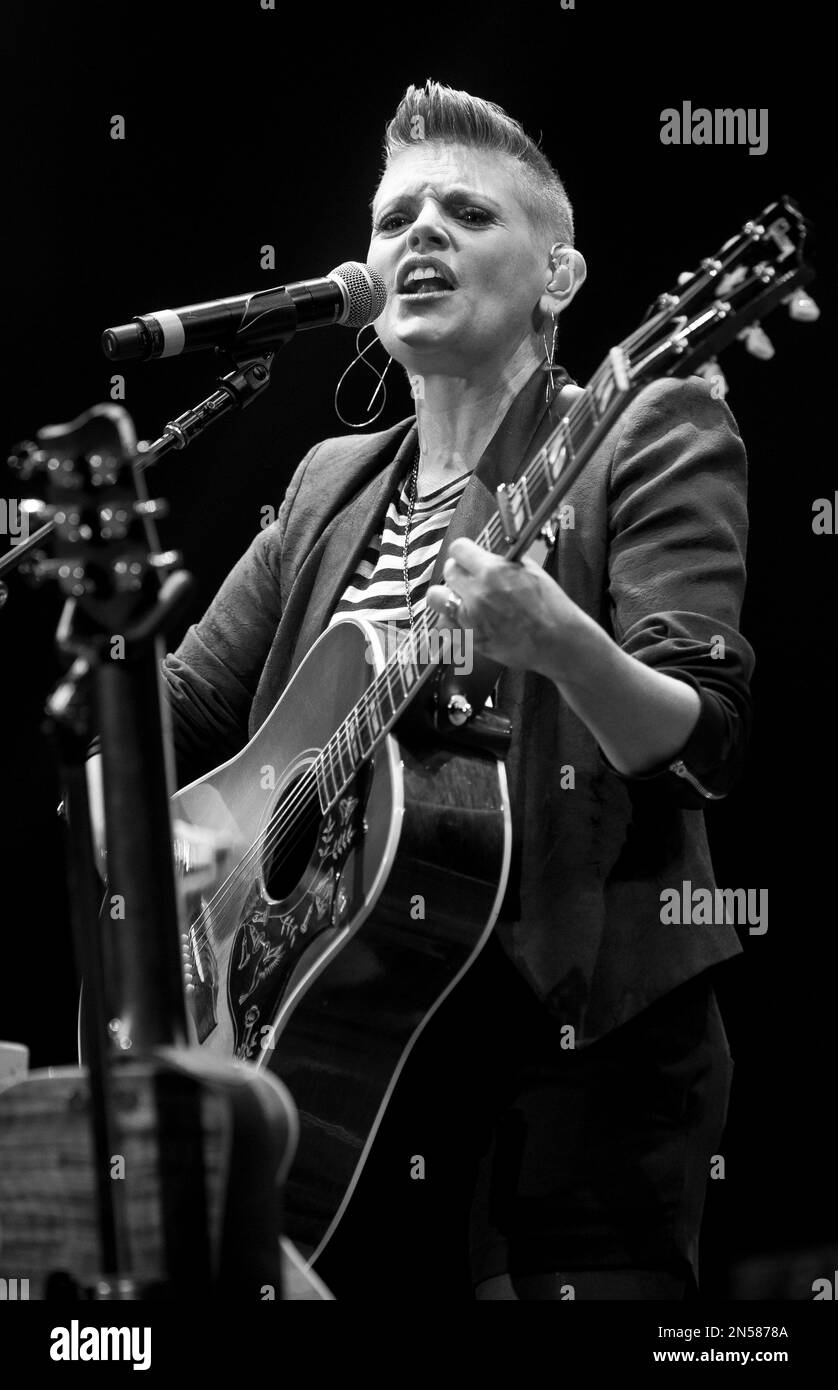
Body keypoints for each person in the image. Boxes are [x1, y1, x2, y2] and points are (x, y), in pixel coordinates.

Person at [87, 80, 753, 1300]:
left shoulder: (646, 428)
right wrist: (150, 824)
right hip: (344, 1056)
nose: (420, 237)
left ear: (558, 279)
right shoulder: (328, 483)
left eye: (465, 213)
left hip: (575, 1068)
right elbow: (164, 726)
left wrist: (559, 641)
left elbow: (700, 738)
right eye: (397, 219)